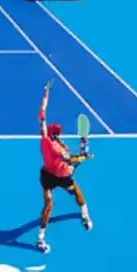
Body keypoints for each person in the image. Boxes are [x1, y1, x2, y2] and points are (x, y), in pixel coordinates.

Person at [37, 82, 93, 253]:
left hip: (48, 174)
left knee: (48, 204)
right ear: (55, 134)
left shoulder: (45, 137)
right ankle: (84, 214)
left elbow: (42, 113)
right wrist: (83, 157)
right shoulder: (57, 147)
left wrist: (46, 93)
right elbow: (69, 160)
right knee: (75, 192)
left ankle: (41, 237)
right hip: (60, 176)